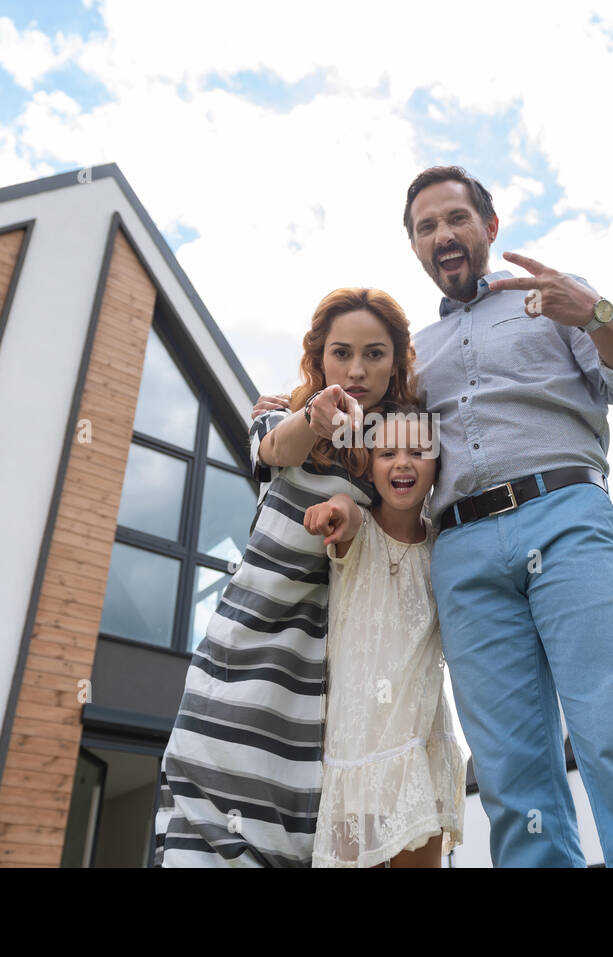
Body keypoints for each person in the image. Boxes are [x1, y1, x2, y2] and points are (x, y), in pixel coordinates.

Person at [252, 165, 613, 867]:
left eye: (456, 218)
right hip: (459, 549)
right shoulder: (415, 357)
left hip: (565, 516)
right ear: (416, 248)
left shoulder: (555, 305)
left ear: (488, 228)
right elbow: (363, 426)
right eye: (426, 226)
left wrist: (595, 312)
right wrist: (283, 406)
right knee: (509, 768)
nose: (443, 234)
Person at [155, 287, 419, 867]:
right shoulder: (280, 417)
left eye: (375, 354)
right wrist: (314, 416)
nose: (356, 369)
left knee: (290, 831)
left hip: (321, 667)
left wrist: (355, 510)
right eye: (341, 353)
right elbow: (275, 449)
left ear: (398, 361)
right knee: (200, 818)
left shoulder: (398, 451)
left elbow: (402, 532)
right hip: (237, 650)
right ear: (319, 357)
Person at [302, 403, 466, 868]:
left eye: (419, 451)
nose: (402, 462)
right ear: (369, 466)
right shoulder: (359, 526)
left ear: (438, 464)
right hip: (356, 747)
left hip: (420, 743)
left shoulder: (445, 545)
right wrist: (329, 511)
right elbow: (344, 513)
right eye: (387, 452)